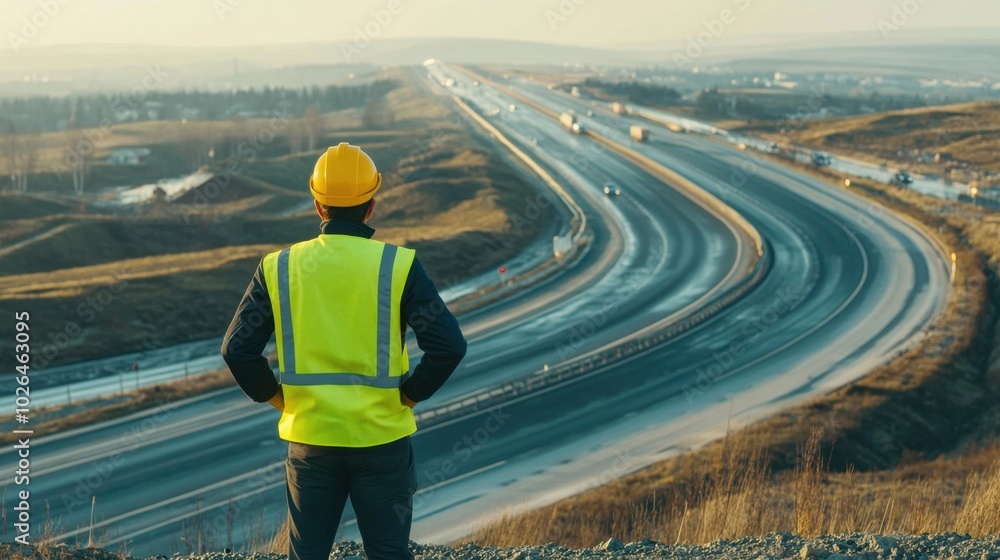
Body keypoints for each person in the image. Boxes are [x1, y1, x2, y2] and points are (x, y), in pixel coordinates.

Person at [221, 142, 467, 560]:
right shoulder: (398, 265)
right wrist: (408, 395)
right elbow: (448, 347)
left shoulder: (278, 267)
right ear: (370, 205)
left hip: (311, 442)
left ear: (318, 205)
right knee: (388, 552)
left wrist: (281, 400)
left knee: (308, 554)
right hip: (381, 439)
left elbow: (237, 351)